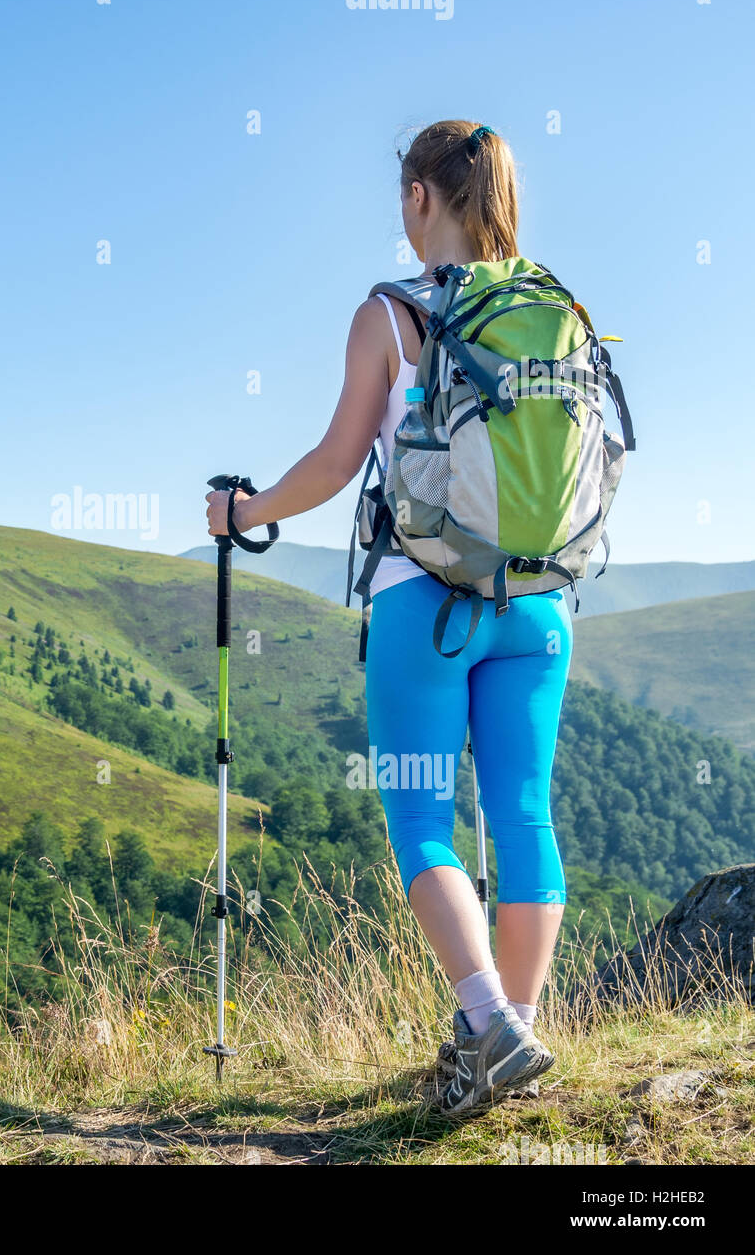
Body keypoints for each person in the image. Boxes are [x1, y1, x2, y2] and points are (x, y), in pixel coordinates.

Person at [205, 120, 566, 1115]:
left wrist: (244, 513)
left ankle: (489, 1022)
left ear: (419, 198)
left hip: (423, 603)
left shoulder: (390, 312)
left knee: (421, 823)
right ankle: (516, 1036)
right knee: (523, 813)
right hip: (538, 603)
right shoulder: (546, 306)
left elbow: (332, 463)